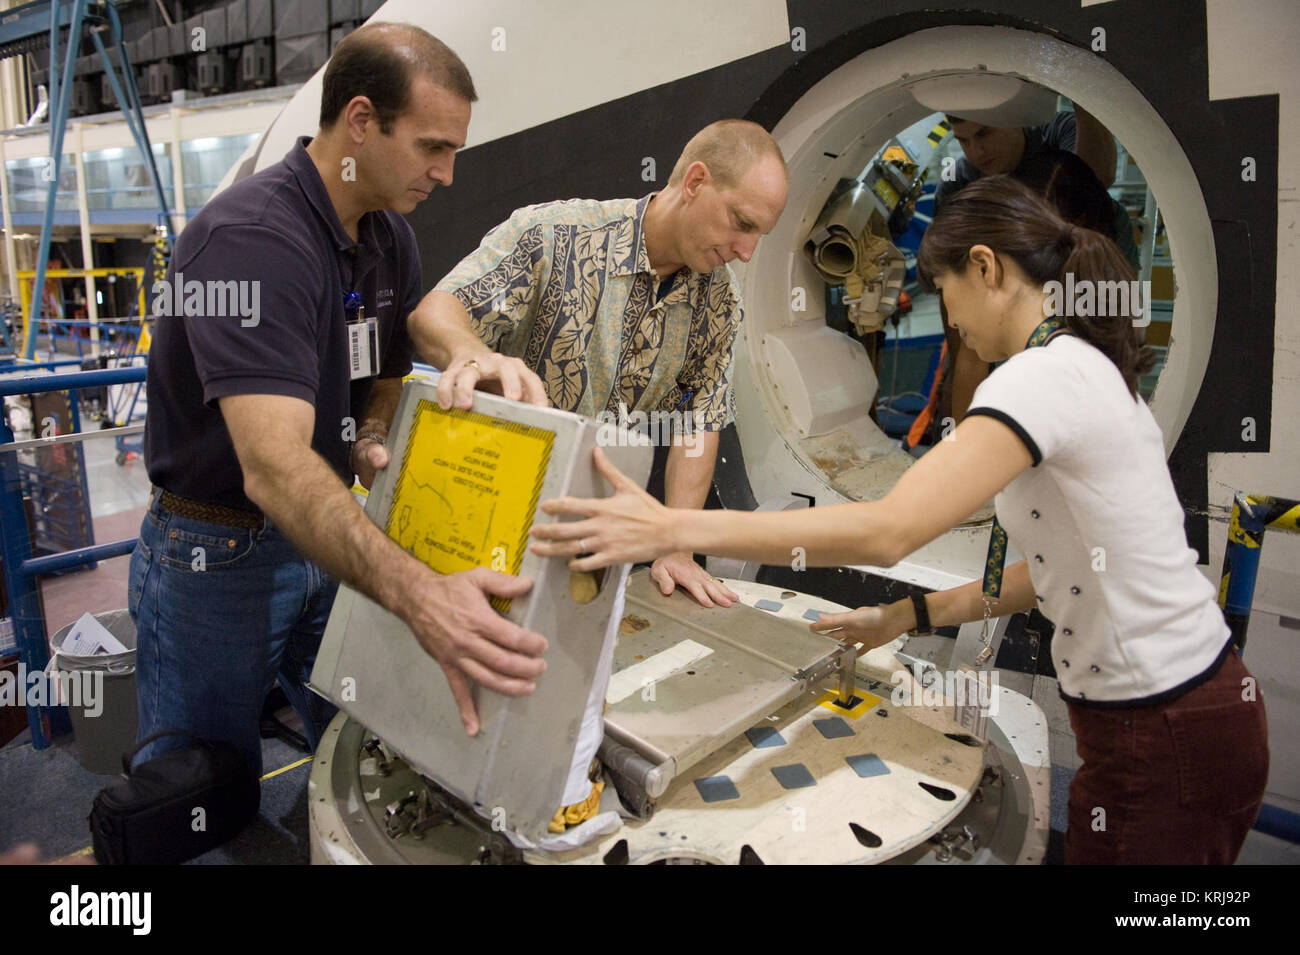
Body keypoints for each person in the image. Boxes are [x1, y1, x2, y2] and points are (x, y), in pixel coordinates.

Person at [530, 175, 1269, 865]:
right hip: (1186, 722)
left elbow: (890, 529)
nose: (949, 319)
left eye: (944, 289)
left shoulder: (1043, 377)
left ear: (985, 267)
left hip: (1161, 737)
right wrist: (905, 615)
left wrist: (673, 528)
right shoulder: (1082, 365)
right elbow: (1055, 574)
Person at [133, 23, 551, 774]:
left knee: (364, 741)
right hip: (217, 552)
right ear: (361, 120)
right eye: (433, 147)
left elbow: (386, 366)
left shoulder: (390, 238)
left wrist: (372, 430)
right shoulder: (250, 241)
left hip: (322, 527)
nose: (448, 173)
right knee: (199, 789)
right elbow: (273, 465)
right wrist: (422, 597)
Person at [409, 119, 788, 610]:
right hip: (484, 515)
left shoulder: (718, 302)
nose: (746, 251)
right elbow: (436, 312)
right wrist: (470, 352)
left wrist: (677, 546)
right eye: (742, 222)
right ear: (695, 182)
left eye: (760, 235)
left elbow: (701, 421)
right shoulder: (555, 237)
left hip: (596, 540)